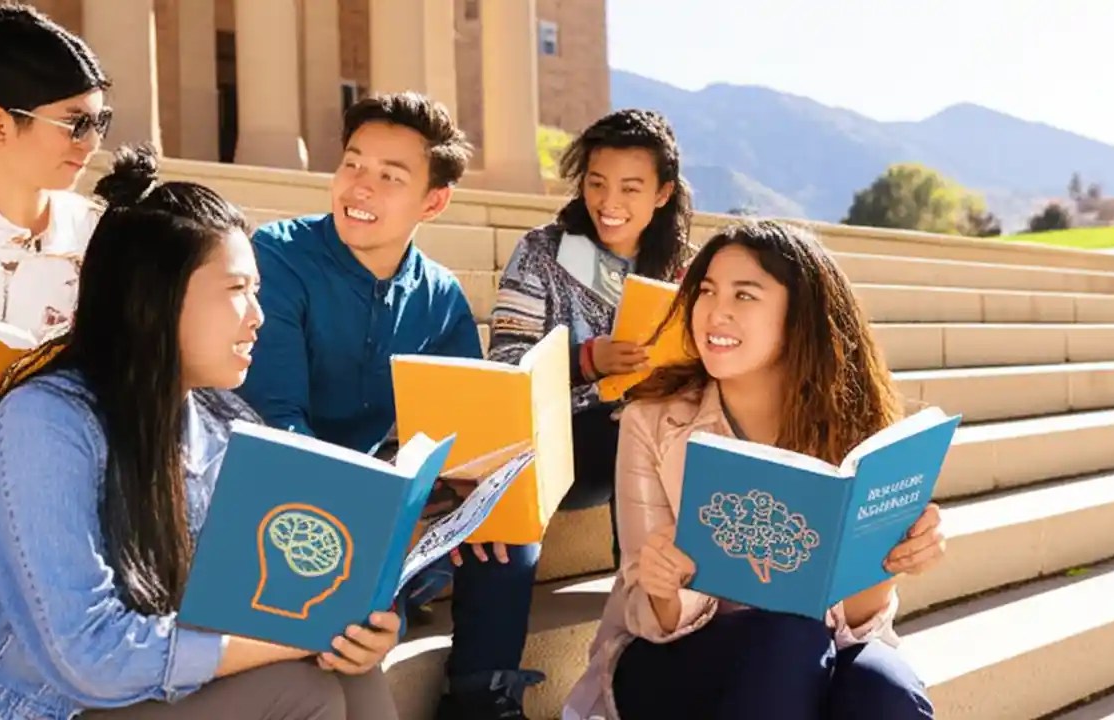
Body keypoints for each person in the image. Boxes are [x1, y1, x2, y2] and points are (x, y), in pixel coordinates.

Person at [0, 146, 402, 720]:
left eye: (257, 291)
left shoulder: (221, 423)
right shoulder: (43, 425)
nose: (258, 316)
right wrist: (287, 642)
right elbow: (87, 657)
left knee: (347, 676)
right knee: (301, 694)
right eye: (236, 291)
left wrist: (356, 633)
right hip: (27, 700)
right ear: (152, 301)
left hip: (138, 688)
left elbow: (242, 605)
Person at [563, 220, 945, 720]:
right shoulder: (652, 421)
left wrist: (888, 562)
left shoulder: (857, 431)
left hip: (810, 649)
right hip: (668, 659)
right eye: (705, 291)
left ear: (800, 316)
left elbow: (856, 626)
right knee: (789, 636)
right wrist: (665, 582)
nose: (715, 312)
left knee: (885, 689)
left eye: (745, 296)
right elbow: (650, 618)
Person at [236, 92, 539, 720]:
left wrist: (471, 497)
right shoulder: (279, 256)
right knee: (364, 607)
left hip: (386, 498)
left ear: (434, 200)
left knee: (507, 541)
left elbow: (469, 423)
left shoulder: (441, 293)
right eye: (352, 165)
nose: (360, 188)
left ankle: (483, 698)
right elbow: (280, 424)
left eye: (389, 176)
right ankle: (399, 590)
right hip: (283, 492)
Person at [0, 3, 108, 498]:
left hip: (64, 495)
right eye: (75, 123)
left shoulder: (105, 240)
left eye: (101, 122)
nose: (92, 142)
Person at [489, 108, 693, 521]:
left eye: (630, 189)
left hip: (663, 434)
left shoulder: (686, 272)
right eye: (596, 183)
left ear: (662, 193)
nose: (609, 202)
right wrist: (586, 363)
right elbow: (504, 369)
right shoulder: (541, 253)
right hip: (564, 442)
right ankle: (638, 583)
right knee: (632, 430)